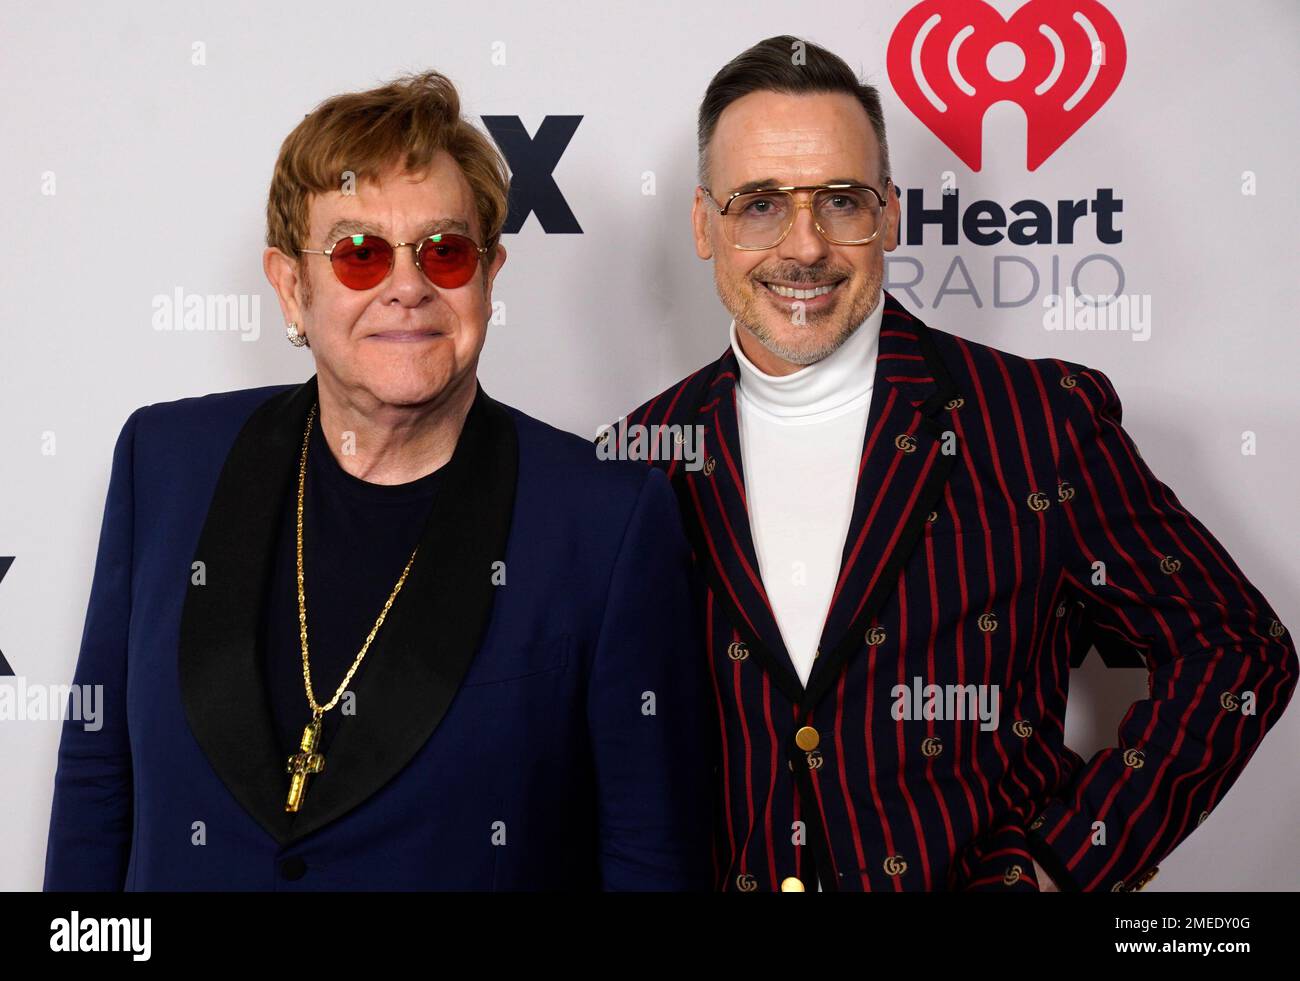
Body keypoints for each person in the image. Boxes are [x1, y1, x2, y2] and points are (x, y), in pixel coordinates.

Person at [605, 35, 1297, 891]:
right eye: (759, 205)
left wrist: (1058, 864)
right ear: (705, 225)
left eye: (842, 202)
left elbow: (1238, 647)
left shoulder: (1038, 421)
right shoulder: (633, 462)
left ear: (891, 214)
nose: (806, 245)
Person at [44, 70, 712, 891]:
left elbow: (649, 855)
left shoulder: (605, 521)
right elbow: (96, 782)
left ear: (489, 278)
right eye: (359, 254)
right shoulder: (166, 461)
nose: (408, 286)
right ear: (293, 286)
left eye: (446, 250)